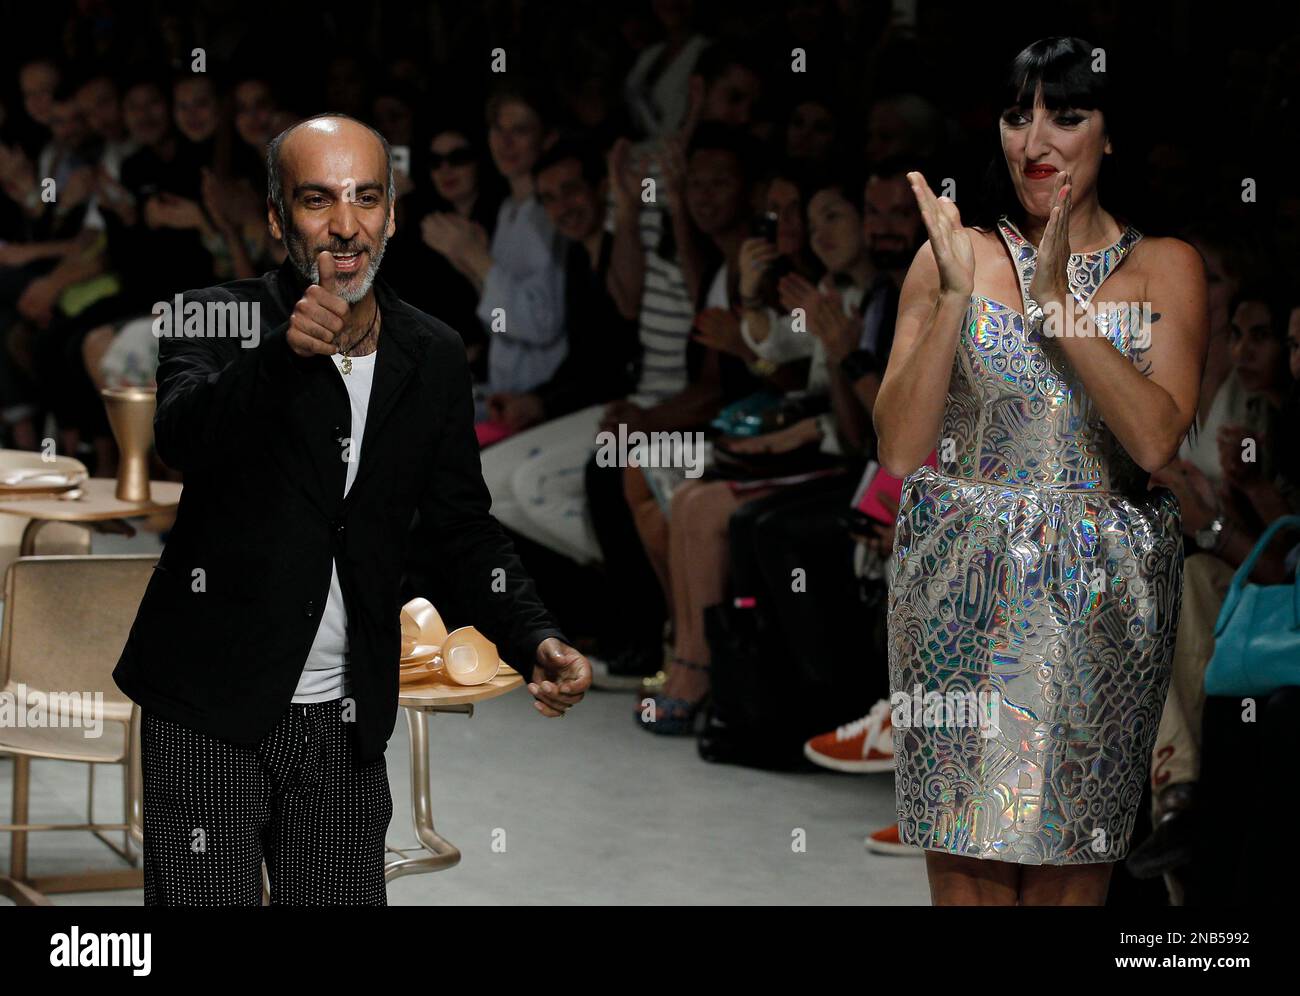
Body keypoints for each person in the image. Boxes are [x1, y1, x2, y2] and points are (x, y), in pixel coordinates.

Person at [113, 114, 591, 906]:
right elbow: (182, 437)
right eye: (316, 200)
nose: (345, 226)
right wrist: (280, 357)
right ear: (276, 219)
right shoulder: (211, 314)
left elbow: (461, 526)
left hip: (345, 719)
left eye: (366, 198)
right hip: (207, 708)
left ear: (393, 214)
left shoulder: (431, 353)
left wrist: (533, 633)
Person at [874, 37, 1208, 904]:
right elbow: (900, 453)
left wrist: (1060, 306)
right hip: (957, 593)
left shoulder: (1165, 267)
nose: (1036, 141)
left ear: (1112, 134)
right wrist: (952, 297)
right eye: (1018, 115)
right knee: (968, 879)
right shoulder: (956, 256)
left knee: (1070, 885)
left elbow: (1155, 442)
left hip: (1102, 603)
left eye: (1067, 114)